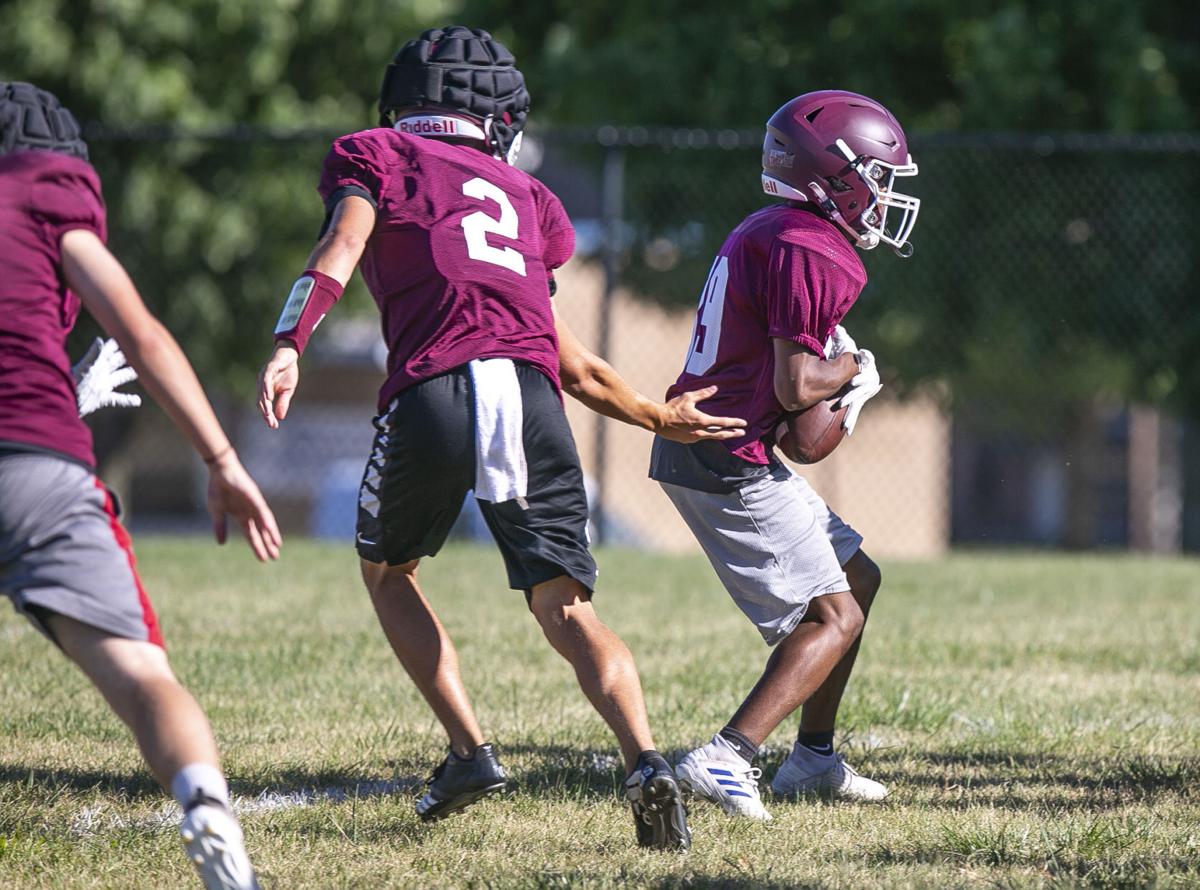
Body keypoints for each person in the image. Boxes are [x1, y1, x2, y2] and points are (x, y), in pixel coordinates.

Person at [255, 26, 743, 850]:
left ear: (405, 102)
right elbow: (571, 362)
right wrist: (660, 417)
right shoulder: (528, 197)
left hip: (435, 391)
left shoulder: (374, 152)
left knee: (387, 573)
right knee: (566, 605)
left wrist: (289, 342)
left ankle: (469, 752)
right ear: (499, 118)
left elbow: (341, 244)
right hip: (531, 394)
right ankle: (647, 762)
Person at [0, 81, 280, 889]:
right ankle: (207, 815)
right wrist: (223, 461)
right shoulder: (47, 200)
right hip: (36, 466)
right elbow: (141, 331)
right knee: (143, 676)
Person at [649, 90, 921, 820]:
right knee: (834, 616)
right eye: (878, 178)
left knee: (856, 577)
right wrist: (855, 369)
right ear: (833, 176)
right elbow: (797, 383)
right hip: (723, 455)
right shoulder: (810, 246)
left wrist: (835, 385)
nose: (884, 197)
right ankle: (727, 755)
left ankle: (813, 760)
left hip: (715, 441)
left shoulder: (778, 229)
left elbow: (800, 427)